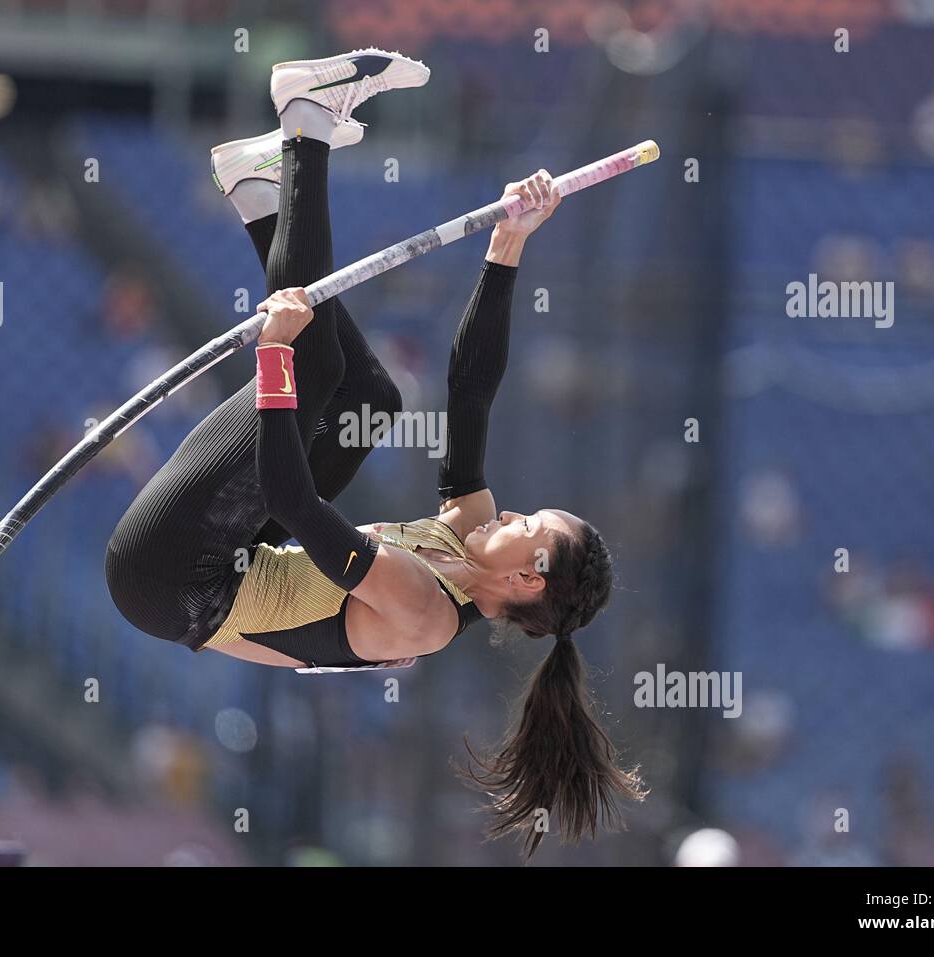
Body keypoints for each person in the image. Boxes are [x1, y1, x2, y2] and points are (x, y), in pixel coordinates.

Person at [106, 49, 644, 857]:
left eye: (531, 521)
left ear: (528, 576)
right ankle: (261, 193)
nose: (514, 508)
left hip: (174, 576)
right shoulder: (469, 535)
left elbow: (293, 501)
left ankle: (307, 122)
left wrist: (275, 355)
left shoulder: (424, 613)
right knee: (371, 400)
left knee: (317, 367)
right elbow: (470, 393)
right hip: (238, 553)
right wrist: (508, 245)